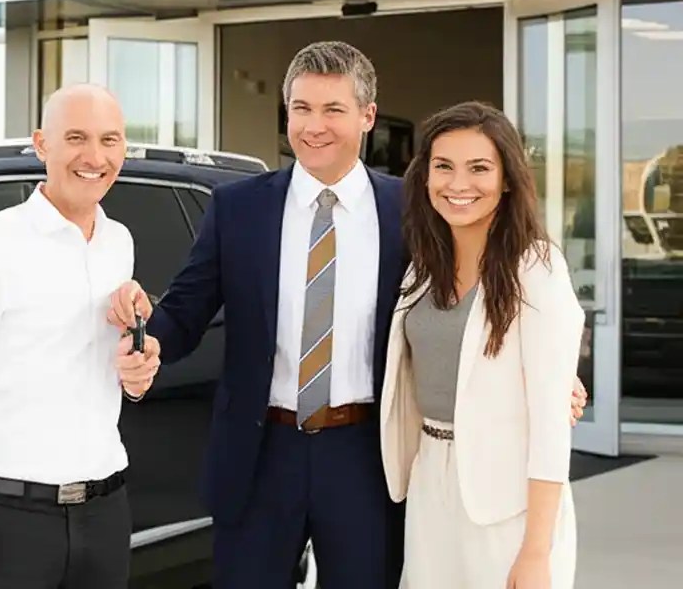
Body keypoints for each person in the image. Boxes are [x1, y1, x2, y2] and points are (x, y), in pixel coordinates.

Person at [107, 41, 585, 588]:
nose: (315, 126)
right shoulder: (239, 208)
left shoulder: (413, 211)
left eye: (333, 109)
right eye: (302, 108)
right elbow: (184, 313)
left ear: (367, 116)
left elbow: (471, 309)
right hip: (261, 452)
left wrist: (552, 379)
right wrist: (147, 339)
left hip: (366, 454)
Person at [0, 83, 162, 589]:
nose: (94, 157)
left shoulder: (119, 242)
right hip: (14, 518)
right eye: (76, 137)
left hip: (105, 511)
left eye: (110, 140)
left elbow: (115, 374)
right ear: (42, 145)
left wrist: (138, 365)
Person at [380, 101, 580, 588]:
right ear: (425, 177)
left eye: (479, 168)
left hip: (506, 501)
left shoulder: (536, 269)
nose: (458, 184)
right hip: (431, 482)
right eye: (443, 167)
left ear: (507, 178)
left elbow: (551, 426)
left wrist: (537, 551)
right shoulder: (422, 269)